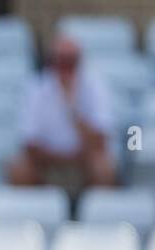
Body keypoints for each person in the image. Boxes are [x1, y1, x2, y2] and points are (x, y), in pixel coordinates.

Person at [6, 32, 114, 193]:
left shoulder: (95, 86)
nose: (65, 67)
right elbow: (29, 143)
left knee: (104, 168)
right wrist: (60, 159)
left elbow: (100, 141)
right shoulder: (36, 88)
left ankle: (93, 214)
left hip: (83, 162)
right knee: (18, 169)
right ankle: (34, 214)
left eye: (70, 61)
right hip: (47, 163)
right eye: (60, 61)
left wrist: (72, 109)